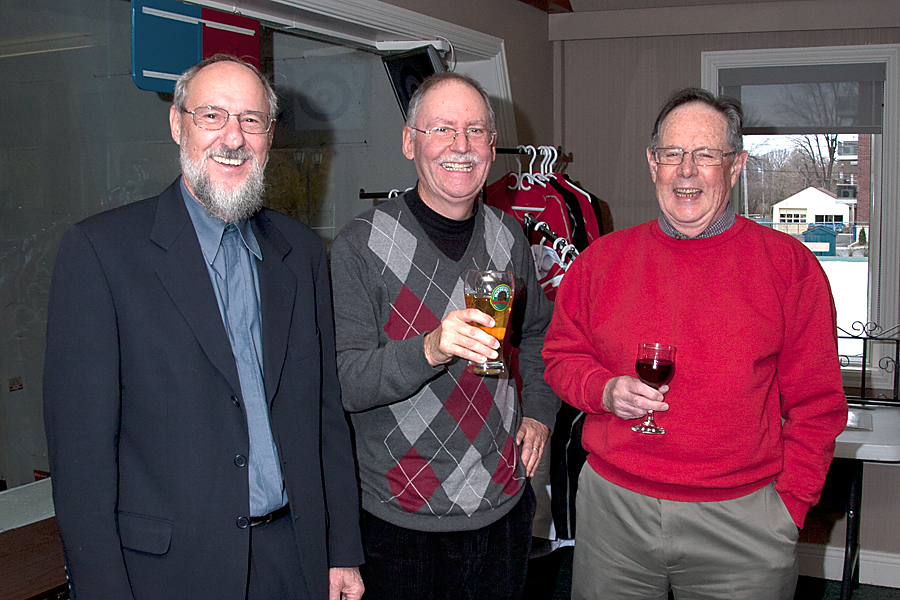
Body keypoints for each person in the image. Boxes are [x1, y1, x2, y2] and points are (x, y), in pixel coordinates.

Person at [43, 54, 363, 600]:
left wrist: (341, 552)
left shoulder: (303, 253)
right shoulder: (101, 254)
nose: (233, 138)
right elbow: (81, 465)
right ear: (177, 124)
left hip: (294, 560)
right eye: (212, 116)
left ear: (268, 136)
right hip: (166, 576)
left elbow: (325, 418)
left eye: (252, 120)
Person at [542, 87, 847, 600]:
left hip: (744, 524)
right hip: (616, 513)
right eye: (671, 154)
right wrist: (603, 389)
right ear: (652, 162)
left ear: (736, 166)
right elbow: (560, 358)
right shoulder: (601, 261)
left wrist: (788, 508)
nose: (686, 170)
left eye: (705, 155)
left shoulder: (789, 266)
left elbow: (817, 404)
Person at [329, 71, 559, 600]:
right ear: (410, 142)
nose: (461, 145)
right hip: (400, 524)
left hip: (501, 509)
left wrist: (540, 413)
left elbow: (543, 333)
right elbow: (345, 382)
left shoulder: (509, 235)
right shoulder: (358, 246)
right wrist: (431, 348)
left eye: (475, 131)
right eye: (442, 129)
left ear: (492, 147)